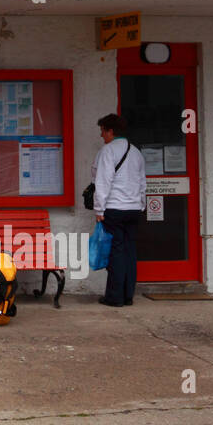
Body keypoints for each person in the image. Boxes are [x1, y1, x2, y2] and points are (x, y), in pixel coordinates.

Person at [93, 113, 147, 307]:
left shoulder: (108, 151)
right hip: (133, 209)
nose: (101, 135)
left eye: (102, 131)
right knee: (130, 251)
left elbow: (102, 182)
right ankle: (128, 295)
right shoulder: (136, 152)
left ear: (111, 131)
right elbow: (142, 183)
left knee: (115, 252)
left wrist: (99, 209)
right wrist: (141, 205)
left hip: (114, 208)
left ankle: (114, 297)